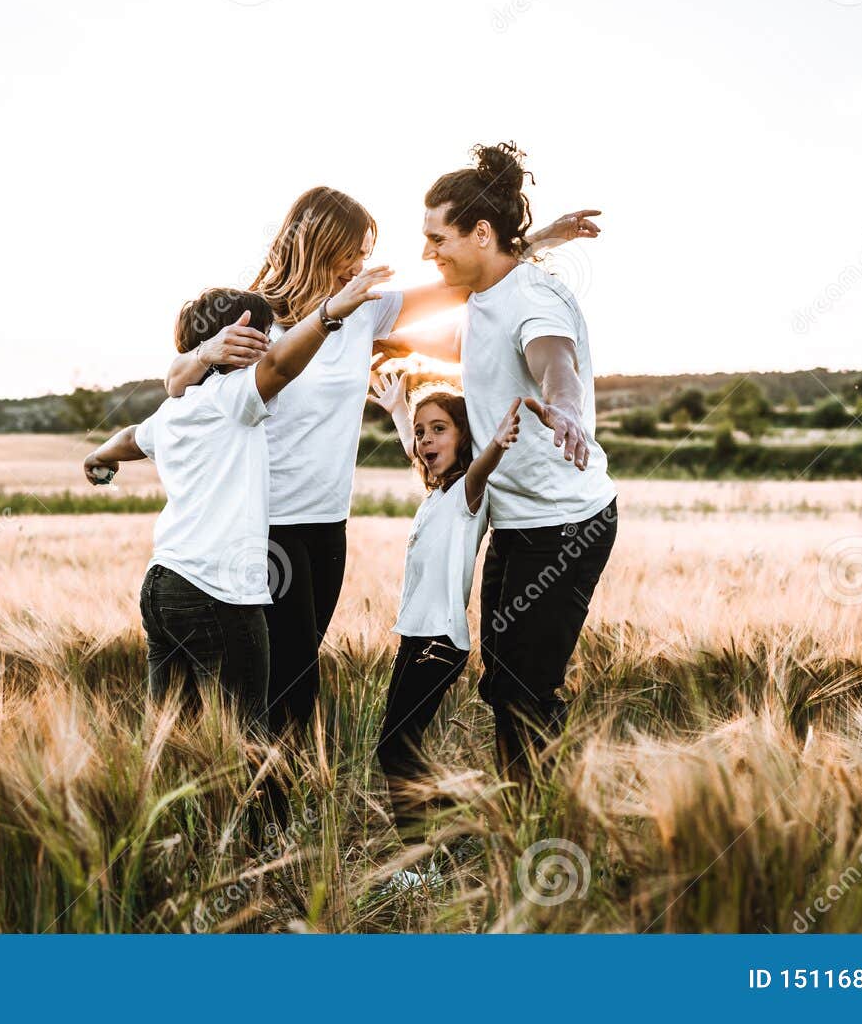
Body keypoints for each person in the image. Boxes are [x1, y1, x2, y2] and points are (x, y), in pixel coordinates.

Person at [160, 187, 599, 738]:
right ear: (321, 245)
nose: (363, 265)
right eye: (355, 251)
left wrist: (538, 240)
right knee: (283, 688)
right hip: (263, 525)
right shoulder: (256, 315)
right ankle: (261, 812)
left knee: (296, 678)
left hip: (326, 528)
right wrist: (201, 354)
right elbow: (178, 387)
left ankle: (278, 806)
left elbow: (458, 279)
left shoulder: (365, 312)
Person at [82, 267, 391, 722]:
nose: (272, 345)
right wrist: (329, 314)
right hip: (220, 595)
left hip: (162, 585)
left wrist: (97, 456)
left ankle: (169, 795)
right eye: (265, 336)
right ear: (240, 342)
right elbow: (282, 367)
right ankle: (258, 799)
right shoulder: (234, 398)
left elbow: (132, 437)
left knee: (173, 733)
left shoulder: (178, 408)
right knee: (248, 736)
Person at [401, 142, 618, 782]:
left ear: (482, 232)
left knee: (525, 693)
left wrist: (567, 407)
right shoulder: (489, 285)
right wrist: (538, 237)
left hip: (565, 527)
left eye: (438, 238)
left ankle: (536, 829)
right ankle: (522, 818)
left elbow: (555, 359)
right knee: (502, 683)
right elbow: (507, 264)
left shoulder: (535, 300)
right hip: (517, 521)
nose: (427, 252)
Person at [366, 373, 521, 855]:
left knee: (394, 750)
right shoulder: (436, 495)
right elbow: (418, 455)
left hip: (439, 642)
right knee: (399, 750)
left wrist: (494, 443)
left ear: (463, 437)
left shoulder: (467, 497)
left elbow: (478, 470)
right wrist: (397, 411)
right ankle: (458, 833)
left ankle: (430, 855)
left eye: (439, 429)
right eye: (421, 431)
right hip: (416, 639)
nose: (426, 439)